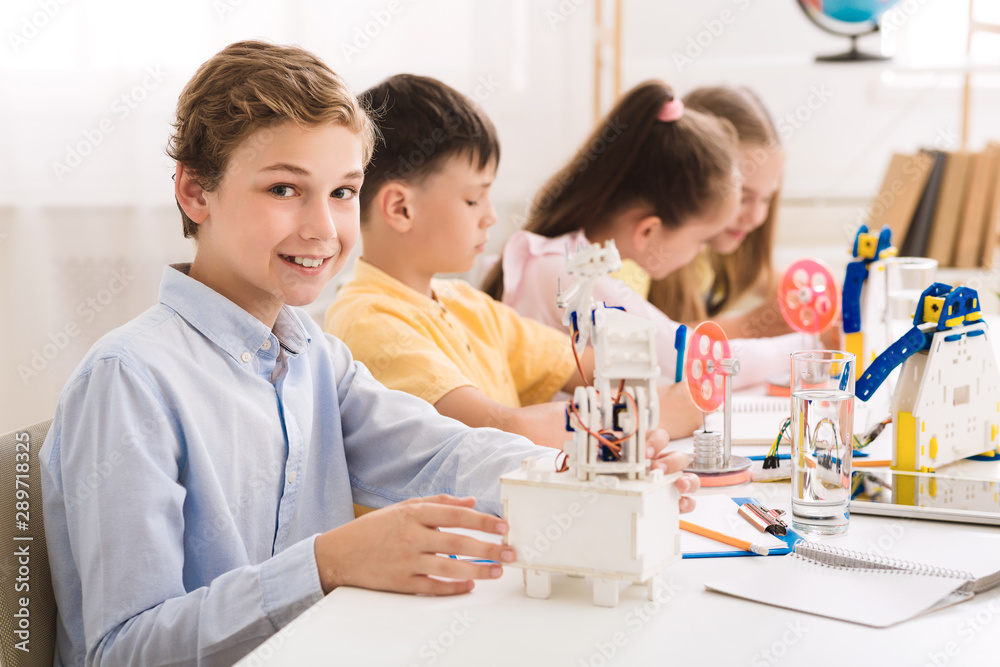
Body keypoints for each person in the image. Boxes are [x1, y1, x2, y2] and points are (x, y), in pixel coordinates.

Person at [39, 42, 699, 666]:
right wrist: (326, 563)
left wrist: (584, 471)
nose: (323, 228)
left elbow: (444, 453)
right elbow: (122, 649)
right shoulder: (129, 381)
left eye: (342, 192)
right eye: (283, 189)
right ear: (194, 192)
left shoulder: (315, 358)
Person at [326, 74, 700, 443]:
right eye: (473, 199)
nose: (490, 216)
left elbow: (588, 366)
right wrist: (650, 414)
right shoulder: (369, 321)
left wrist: (657, 398)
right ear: (401, 208)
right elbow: (501, 430)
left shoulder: (466, 304)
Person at [481, 80, 810, 390]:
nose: (701, 252)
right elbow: (692, 360)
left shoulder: (564, 261)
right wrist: (809, 345)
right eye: (701, 241)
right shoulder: (571, 275)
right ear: (649, 230)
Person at [646, 85, 792, 340]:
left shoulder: (719, 253)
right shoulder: (636, 254)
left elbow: (789, 289)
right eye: (743, 196)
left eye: (767, 198)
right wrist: (749, 326)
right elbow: (624, 347)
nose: (756, 217)